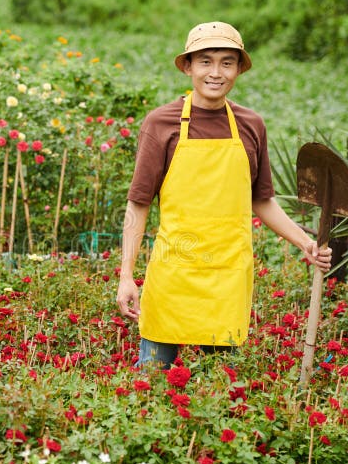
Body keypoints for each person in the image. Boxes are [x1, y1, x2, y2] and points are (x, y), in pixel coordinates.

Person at [116, 21, 332, 369]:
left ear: (238, 69)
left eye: (227, 62)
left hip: (227, 277)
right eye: (205, 61)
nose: (216, 72)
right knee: (151, 382)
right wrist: (127, 276)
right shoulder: (161, 123)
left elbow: (261, 200)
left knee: (220, 388)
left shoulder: (251, 124)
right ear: (188, 66)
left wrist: (304, 242)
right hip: (174, 275)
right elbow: (139, 203)